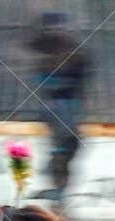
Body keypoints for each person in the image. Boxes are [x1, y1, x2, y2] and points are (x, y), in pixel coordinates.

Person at [28, 12, 88, 201]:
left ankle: (58, 187)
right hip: (57, 106)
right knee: (65, 142)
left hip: (64, 106)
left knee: (67, 142)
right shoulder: (43, 54)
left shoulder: (74, 55)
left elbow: (78, 79)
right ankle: (57, 186)